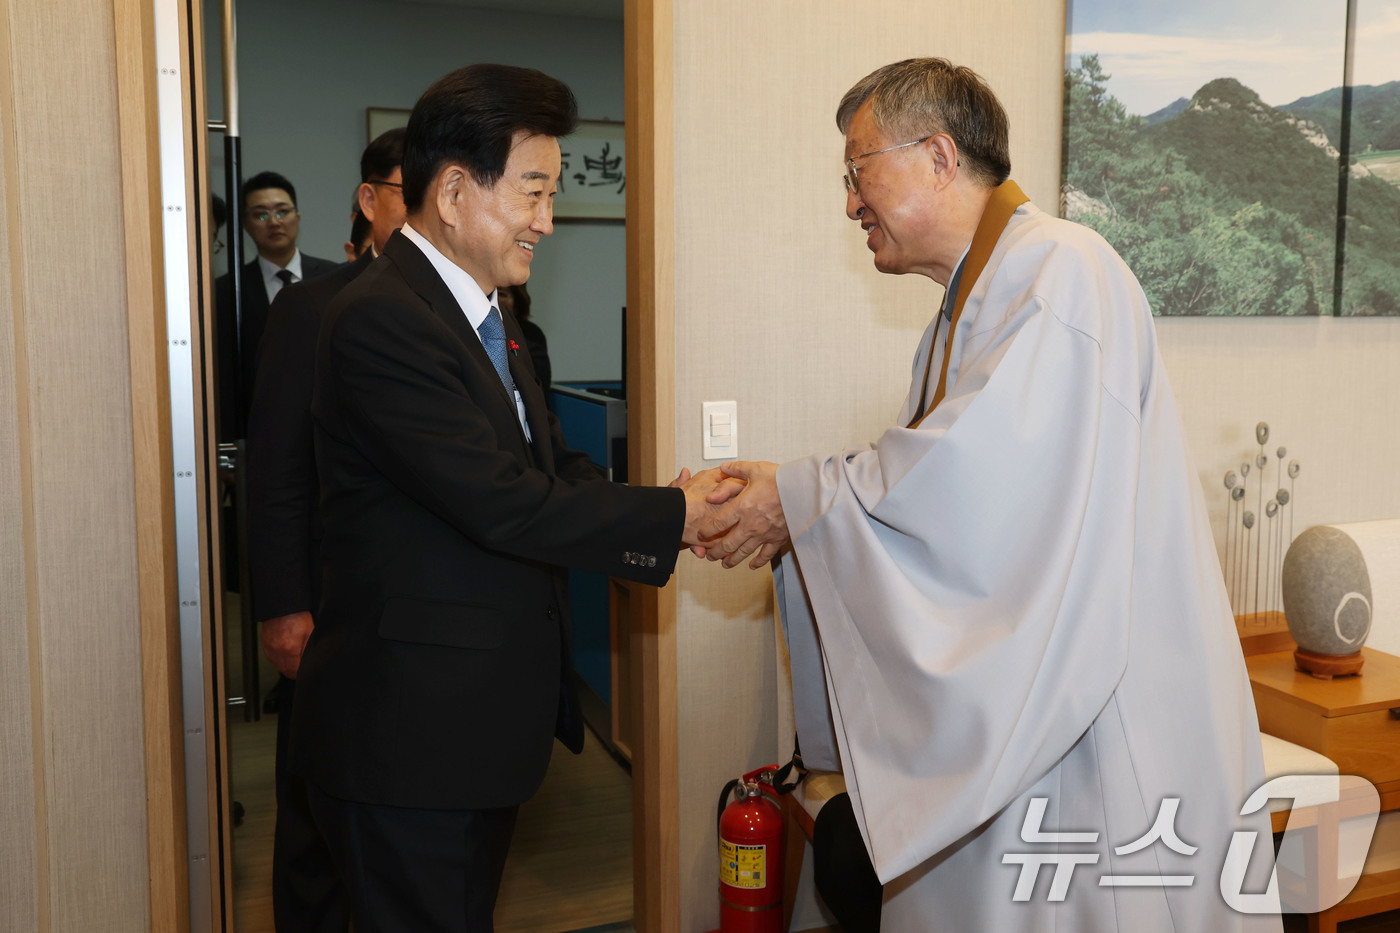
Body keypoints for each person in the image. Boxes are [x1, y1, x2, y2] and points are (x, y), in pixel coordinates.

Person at [700, 58, 1279, 931]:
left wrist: (799, 500)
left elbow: (974, 501)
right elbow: (937, 487)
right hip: (1029, 709)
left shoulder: (1061, 275)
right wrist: (797, 498)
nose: (850, 203)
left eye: (858, 171)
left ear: (938, 156)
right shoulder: (967, 305)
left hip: (1093, 723)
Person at [291, 64, 723, 930]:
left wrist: (668, 502)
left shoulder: (491, 317)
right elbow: (502, 500)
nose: (547, 221)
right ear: (454, 192)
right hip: (410, 739)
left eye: (552, 194)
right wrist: (678, 520)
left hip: (466, 729)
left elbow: (551, 465)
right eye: (533, 191)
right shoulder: (384, 318)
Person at [244, 126, 407, 933]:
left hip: (416, 620)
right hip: (327, 604)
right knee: (314, 820)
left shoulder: (473, 307)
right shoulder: (312, 306)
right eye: (411, 192)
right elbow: (276, 470)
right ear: (369, 200)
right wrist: (281, 604)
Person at [215, 170, 339, 439]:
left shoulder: (335, 278)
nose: (274, 222)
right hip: (260, 431)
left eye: (282, 212)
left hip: (330, 430)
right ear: (245, 225)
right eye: (261, 215)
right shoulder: (226, 291)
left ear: (298, 218)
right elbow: (224, 379)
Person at [497, 283, 551, 390]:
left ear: (517, 304)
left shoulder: (530, 334)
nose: (493, 300)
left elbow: (538, 386)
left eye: (500, 294)